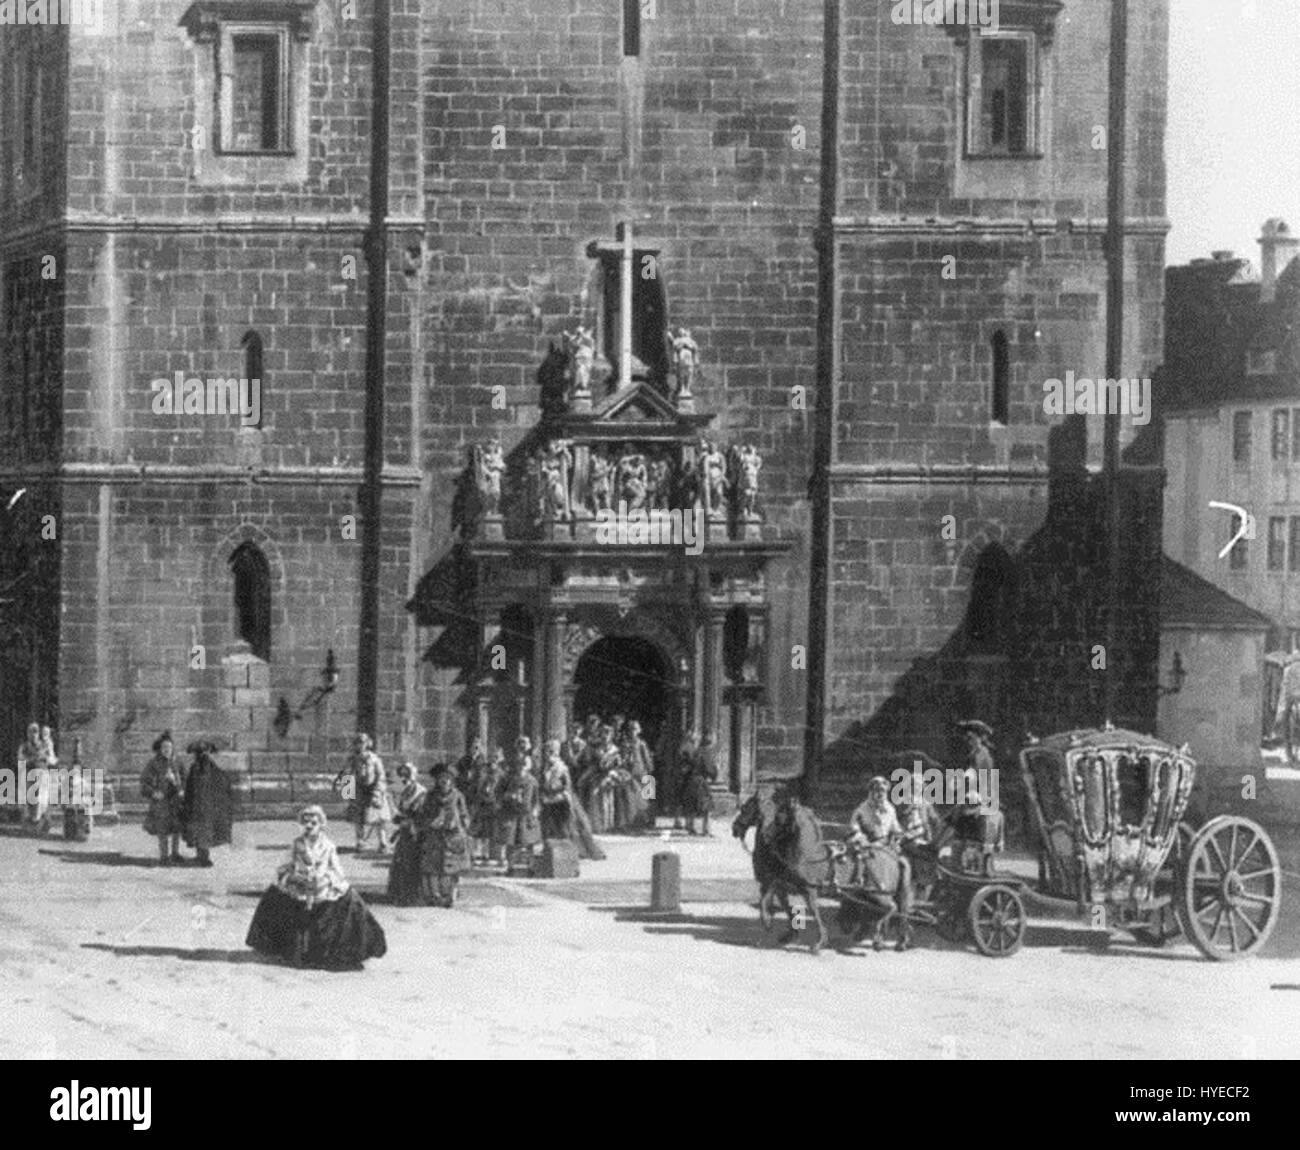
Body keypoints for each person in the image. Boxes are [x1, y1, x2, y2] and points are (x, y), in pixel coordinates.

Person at [246, 806, 387, 970]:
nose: (309, 826)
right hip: (300, 886)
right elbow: (284, 867)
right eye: (305, 823)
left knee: (352, 900)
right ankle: (278, 946)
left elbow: (338, 871)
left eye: (313, 823)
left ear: (321, 825)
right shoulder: (297, 844)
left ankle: (346, 950)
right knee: (273, 895)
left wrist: (326, 880)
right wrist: (293, 877)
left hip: (322, 887)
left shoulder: (328, 846)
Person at [420, 763, 472, 906]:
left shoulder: (457, 795)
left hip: (453, 836)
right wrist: (431, 822)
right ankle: (435, 895)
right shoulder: (431, 796)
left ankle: (451, 895)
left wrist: (463, 823)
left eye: (447, 779)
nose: (444, 782)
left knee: (452, 867)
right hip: (435, 835)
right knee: (433, 866)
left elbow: (464, 814)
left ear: (452, 780)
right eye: (441, 778)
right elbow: (424, 814)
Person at [335, 732, 394, 854]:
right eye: (357, 743)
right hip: (358, 790)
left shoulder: (374, 759)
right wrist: (347, 793)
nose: (360, 745)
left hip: (374, 790)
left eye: (362, 743)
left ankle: (383, 843)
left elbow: (381, 776)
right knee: (358, 818)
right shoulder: (352, 759)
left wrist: (378, 792)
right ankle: (360, 841)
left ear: (367, 744)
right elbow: (346, 775)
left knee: (380, 818)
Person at [181, 740, 233, 867]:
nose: (200, 755)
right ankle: (201, 856)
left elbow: (221, 783)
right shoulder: (196, 767)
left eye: (202, 752)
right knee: (198, 832)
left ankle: (204, 858)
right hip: (197, 805)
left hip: (206, 806)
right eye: (198, 753)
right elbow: (190, 786)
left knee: (204, 832)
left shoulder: (210, 768)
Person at [140, 730, 187, 865]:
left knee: (176, 827)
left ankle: (175, 853)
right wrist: (154, 792)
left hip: (176, 800)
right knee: (163, 829)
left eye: (169, 747)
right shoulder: (154, 763)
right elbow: (144, 782)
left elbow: (185, 779)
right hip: (161, 802)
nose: (167, 750)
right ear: (160, 749)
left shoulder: (177, 762)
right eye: (164, 748)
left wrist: (180, 787)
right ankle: (164, 856)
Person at [386, 762, 428, 905]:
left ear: (413, 777)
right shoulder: (405, 792)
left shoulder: (420, 793)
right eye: (402, 776)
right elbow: (401, 812)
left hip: (417, 833)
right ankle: (399, 894)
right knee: (401, 862)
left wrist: (408, 821)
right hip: (406, 833)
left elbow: (420, 815)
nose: (404, 779)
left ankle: (412, 896)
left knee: (412, 862)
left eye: (407, 776)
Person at [494, 749, 541, 858]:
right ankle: (510, 865)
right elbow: (498, 793)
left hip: (527, 815)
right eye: (519, 765)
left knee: (528, 840)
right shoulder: (507, 779)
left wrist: (535, 810)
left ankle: (530, 865)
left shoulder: (532, 781)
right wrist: (508, 796)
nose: (521, 768)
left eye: (524, 765)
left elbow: (536, 799)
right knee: (511, 841)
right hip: (511, 814)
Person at [469, 746, 507, 864]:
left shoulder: (502, 773)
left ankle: (499, 856)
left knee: (496, 830)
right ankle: (481, 855)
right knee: (482, 830)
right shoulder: (482, 771)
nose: (493, 760)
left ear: (500, 758)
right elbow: (476, 785)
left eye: (496, 757)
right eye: (492, 757)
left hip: (495, 804)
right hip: (482, 803)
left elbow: (504, 788)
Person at [679, 729, 717, 835]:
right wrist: (714, 774)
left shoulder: (695, 750)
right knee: (707, 805)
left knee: (692, 804)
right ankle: (706, 830)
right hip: (700, 780)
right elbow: (710, 769)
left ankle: (690, 827)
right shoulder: (706, 752)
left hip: (691, 780)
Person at [619, 720, 654, 829]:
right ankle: (632, 821)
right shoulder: (624, 744)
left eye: (634, 729)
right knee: (632, 797)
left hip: (642, 771)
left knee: (647, 795)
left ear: (638, 731)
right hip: (630, 772)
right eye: (630, 729)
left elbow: (647, 758)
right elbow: (622, 758)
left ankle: (649, 820)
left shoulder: (641, 744)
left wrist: (649, 770)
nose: (632, 732)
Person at [19, 722, 52, 833]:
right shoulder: (24, 746)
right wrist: (32, 759)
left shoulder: (44, 745)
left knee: (42, 798)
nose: (33, 735)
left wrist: (45, 757)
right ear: (27, 734)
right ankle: (30, 823)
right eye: (31, 732)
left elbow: (51, 759)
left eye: (35, 732)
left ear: (38, 734)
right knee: (30, 798)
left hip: (42, 774)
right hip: (29, 773)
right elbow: (20, 759)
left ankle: (41, 822)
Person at [539, 739, 575, 840]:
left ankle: (563, 845)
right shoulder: (545, 767)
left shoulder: (562, 767)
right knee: (547, 824)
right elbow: (542, 782)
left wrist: (558, 790)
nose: (547, 755)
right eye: (546, 752)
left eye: (550, 752)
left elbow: (567, 785)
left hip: (559, 798)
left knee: (561, 824)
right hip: (547, 797)